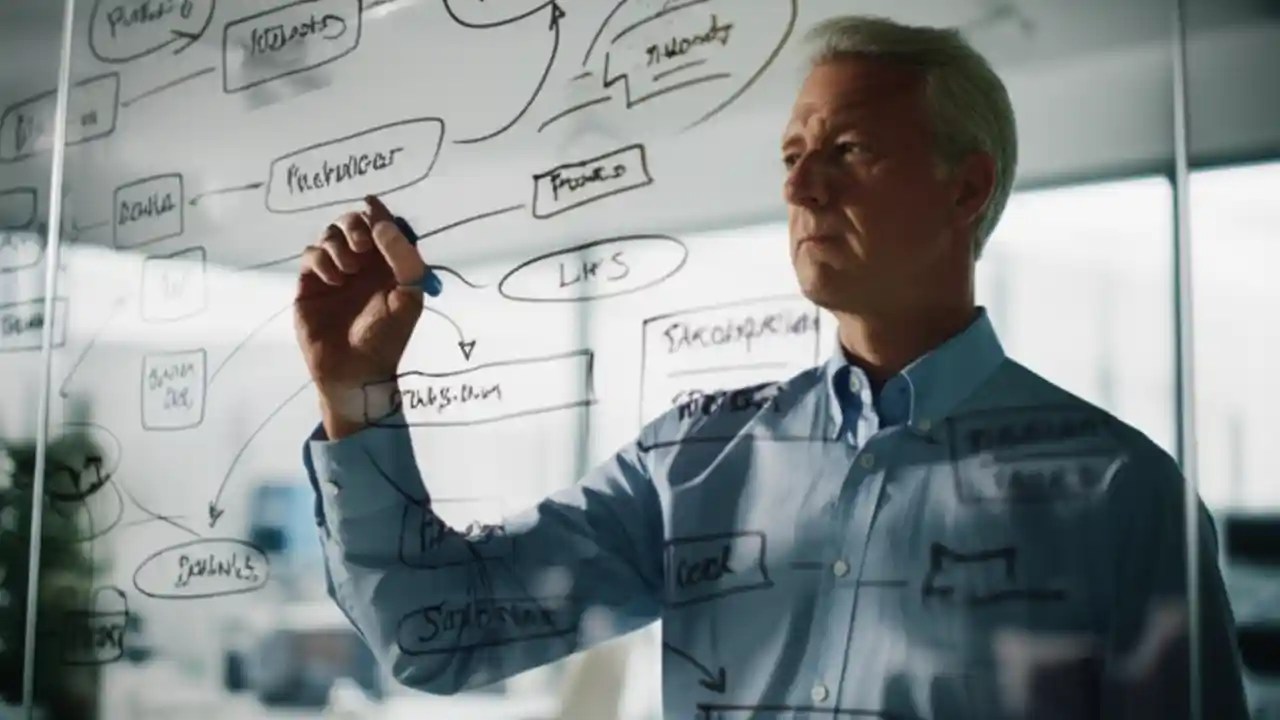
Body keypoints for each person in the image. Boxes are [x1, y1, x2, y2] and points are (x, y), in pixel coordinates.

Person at [292, 14, 1249, 720]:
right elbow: (438, 635)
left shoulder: (1122, 497)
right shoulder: (693, 463)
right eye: (793, 154)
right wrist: (354, 394)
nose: (799, 185)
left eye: (849, 150)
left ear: (967, 186)